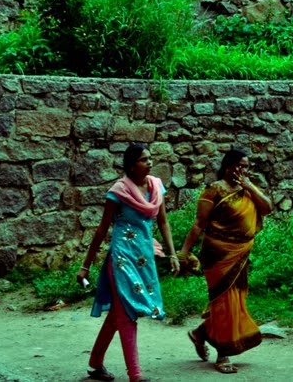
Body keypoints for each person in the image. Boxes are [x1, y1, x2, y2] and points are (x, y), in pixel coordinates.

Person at [82, 144, 176, 382]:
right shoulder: (118, 191)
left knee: (117, 313)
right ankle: (135, 374)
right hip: (122, 257)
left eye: (150, 158)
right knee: (126, 314)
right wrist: (86, 265)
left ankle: (95, 362)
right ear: (131, 165)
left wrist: (173, 254)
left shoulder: (156, 187)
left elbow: (163, 222)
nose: (150, 163)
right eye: (144, 159)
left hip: (143, 256)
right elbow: (102, 229)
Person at [181, 148, 274, 374]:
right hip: (217, 255)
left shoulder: (247, 190)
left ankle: (200, 333)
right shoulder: (213, 190)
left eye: (247, 166)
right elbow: (198, 224)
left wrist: (250, 186)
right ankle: (223, 354)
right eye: (240, 166)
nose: (243, 170)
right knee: (224, 302)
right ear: (228, 166)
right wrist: (184, 251)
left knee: (233, 300)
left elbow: (267, 208)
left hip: (240, 254)